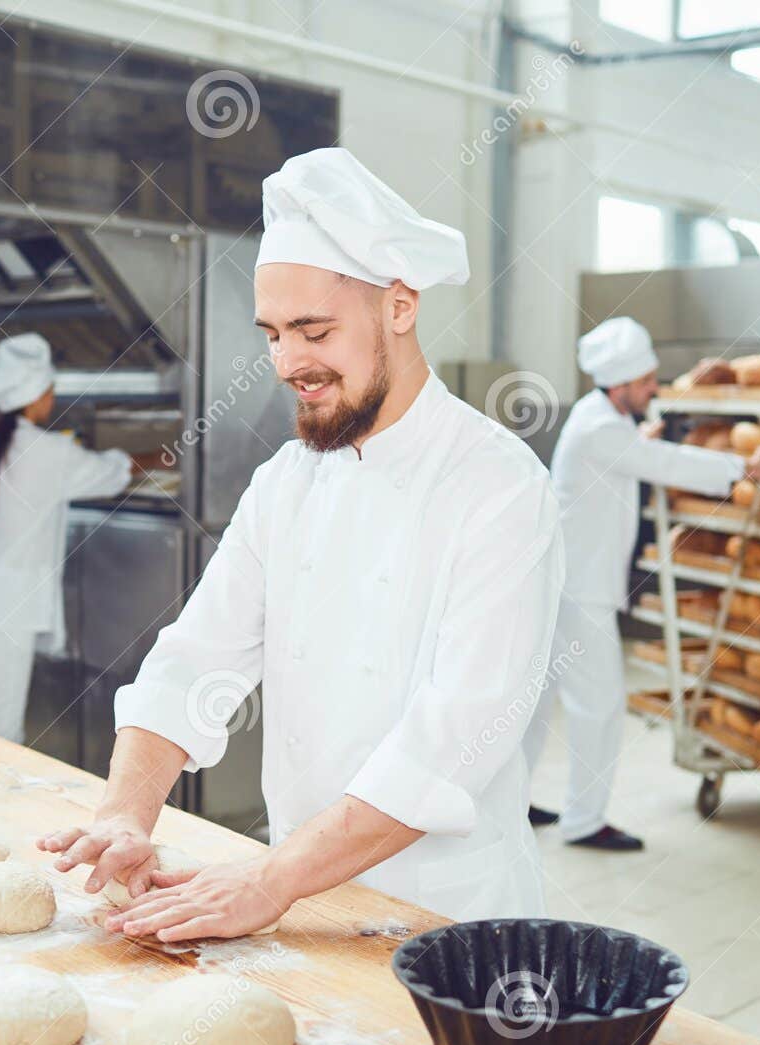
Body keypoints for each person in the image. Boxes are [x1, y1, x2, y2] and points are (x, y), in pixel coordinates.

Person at [36, 147, 564, 940]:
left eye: (314, 330)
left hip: (452, 922)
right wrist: (125, 811)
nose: (289, 363)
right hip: (304, 902)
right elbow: (196, 659)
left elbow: (452, 743)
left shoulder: (498, 486)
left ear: (399, 306)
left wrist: (267, 880)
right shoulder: (288, 480)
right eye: (274, 334)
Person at [523, 318, 760, 849]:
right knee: (599, 704)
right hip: (582, 589)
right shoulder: (602, 429)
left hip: (562, 582)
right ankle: (585, 821)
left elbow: (635, 453)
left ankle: (510, 805)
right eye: (646, 382)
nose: (654, 390)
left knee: (535, 700)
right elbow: (666, 463)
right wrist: (744, 466)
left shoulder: (598, 419)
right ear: (619, 386)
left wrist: (639, 440)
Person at [0, 333, 138, 744]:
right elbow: (108, 472)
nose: (52, 399)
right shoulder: (45, 451)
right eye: (51, 391)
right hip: (5, 614)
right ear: (36, 396)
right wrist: (157, 455)